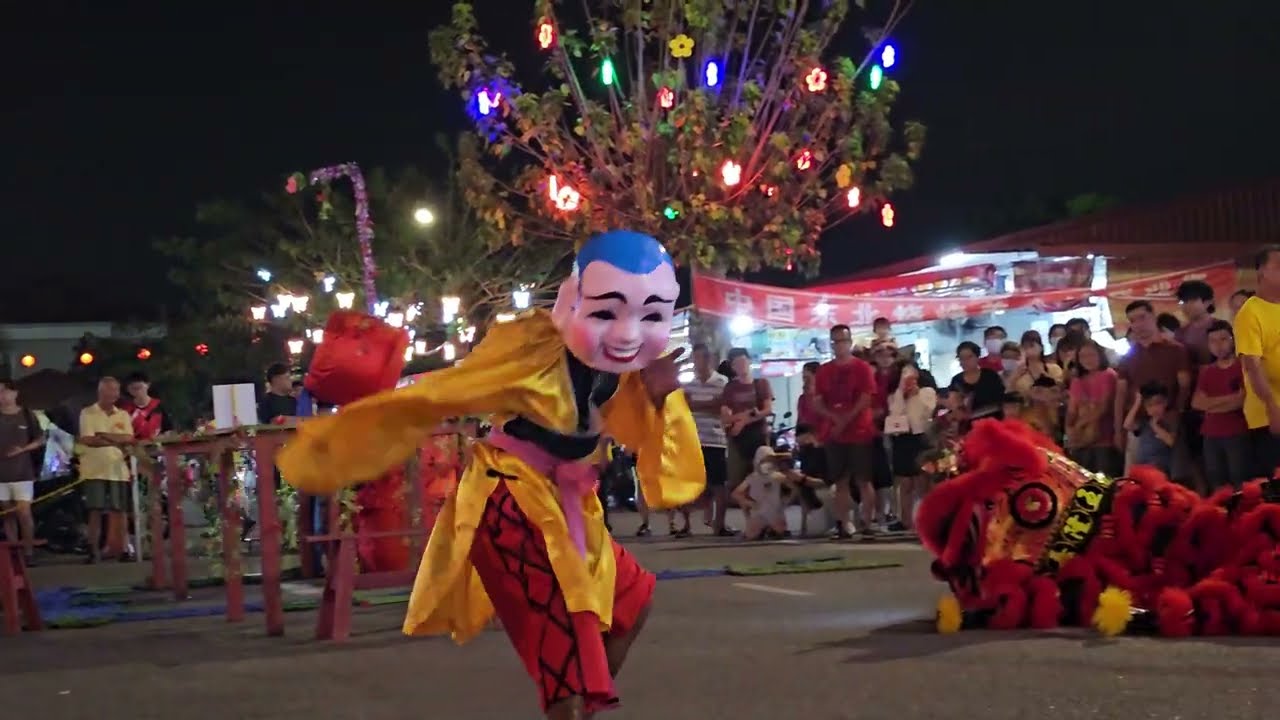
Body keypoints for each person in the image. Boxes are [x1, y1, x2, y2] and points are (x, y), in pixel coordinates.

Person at [276, 230, 703, 719]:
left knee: (633, 599)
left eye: (650, 314)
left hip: (568, 500)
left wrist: (654, 396)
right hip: (512, 498)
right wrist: (357, 423)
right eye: (609, 310)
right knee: (566, 632)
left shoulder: (624, 361)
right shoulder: (529, 341)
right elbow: (448, 388)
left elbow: (630, 428)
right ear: (574, 299)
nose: (628, 332)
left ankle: (582, 708)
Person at [812, 324, 877, 538]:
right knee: (840, 481)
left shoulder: (862, 368)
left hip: (860, 431)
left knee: (863, 479)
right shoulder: (824, 371)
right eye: (835, 341)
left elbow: (866, 398)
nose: (839, 345)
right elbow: (818, 401)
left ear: (850, 342)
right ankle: (844, 523)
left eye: (843, 340)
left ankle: (867, 521)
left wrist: (845, 419)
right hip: (835, 433)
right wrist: (834, 419)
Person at [1114, 300, 1191, 479]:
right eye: (1133, 320)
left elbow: (1185, 387)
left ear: (1153, 317)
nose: (1138, 324)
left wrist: (1176, 414)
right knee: (1139, 479)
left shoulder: (1175, 350)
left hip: (1171, 423)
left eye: (1142, 317)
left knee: (1175, 477)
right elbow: (1120, 396)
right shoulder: (1129, 356)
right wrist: (1119, 431)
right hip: (1138, 425)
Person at [78, 377, 135, 563]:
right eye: (110, 390)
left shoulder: (123, 415)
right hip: (94, 470)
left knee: (121, 510)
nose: (114, 394)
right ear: (101, 391)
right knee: (95, 510)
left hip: (118, 470)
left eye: (116, 390)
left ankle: (124, 548)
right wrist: (116, 439)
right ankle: (93, 549)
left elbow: (128, 438)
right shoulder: (87, 413)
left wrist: (105, 436)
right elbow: (88, 440)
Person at [1235, 245, 1280, 479]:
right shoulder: (1250, 311)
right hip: (1269, 414)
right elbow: (1253, 365)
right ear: (1262, 272)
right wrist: (1272, 406)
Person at [719, 347, 774, 524]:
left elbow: (767, 410)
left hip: (758, 438)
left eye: (743, 361)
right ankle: (751, 520)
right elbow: (725, 417)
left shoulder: (761, 384)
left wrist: (743, 421)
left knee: (763, 478)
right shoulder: (730, 388)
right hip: (737, 440)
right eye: (736, 363)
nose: (741, 366)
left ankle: (766, 520)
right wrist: (747, 415)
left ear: (749, 361)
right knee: (738, 482)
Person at [1192, 320, 1250, 488]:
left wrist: (1210, 404)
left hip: (1237, 431)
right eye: (1213, 341)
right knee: (1216, 479)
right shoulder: (1208, 371)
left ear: (1233, 339)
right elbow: (1196, 403)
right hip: (1210, 433)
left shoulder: (1242, 366)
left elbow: (1241, 401)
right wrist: (1228, 398)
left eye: (1223, 339)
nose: (1218, 345)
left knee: (1240, 478)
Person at [681, 344, 730, 536]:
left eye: (699, 358)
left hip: (716, 439)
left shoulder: (722, 382)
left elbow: (721, 405)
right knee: (689, 483)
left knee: (719, 483)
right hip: (693, 440)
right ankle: (686, 524)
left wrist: (697, 405)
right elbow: (685, 407)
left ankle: (720, 524)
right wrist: (707, 405)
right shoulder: (688, 384)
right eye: (694, 358)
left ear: (708, 360)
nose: (696, 363)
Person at [885, 361, 937, 531]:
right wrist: (902, 391)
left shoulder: (927, 392)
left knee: (922, 481)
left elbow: (928, 412)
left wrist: (916, 395)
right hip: (902, 438)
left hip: (920, 438)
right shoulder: (895, 394)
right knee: (905, 482)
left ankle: (927, 518)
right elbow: (895, 412)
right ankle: (905, 519)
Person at [0, 379, 45, 564]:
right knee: (8, 514)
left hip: (23, 473)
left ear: (14, 393)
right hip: (1, 475)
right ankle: (14, 552)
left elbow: (41, 439)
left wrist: (24, 449)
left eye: (4, 392)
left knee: (24, 513)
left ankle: (28, 551)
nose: (2, 396)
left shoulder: (26, 414)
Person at [1066, 340, 1121, 476]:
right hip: (1082, 440)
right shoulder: (1077, 380)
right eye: (1083, 356)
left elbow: (1104, 407)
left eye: (1091, 355)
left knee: (1104, 481)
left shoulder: (1108, 375)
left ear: (1100, 355)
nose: (1087, 360)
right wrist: (1069, 430)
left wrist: (1078, 426)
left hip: (1104, 437)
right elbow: (1072, 410)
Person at [731, 446, 793, 540]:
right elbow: (736, 494)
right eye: (765, 460)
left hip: (774, 513)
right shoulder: (753, 477)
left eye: (770, 460)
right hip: (760, 513)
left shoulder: (778, 476)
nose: (768, 463)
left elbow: (794, 488)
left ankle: (769, 529)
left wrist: (785, 503)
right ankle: (762, 528)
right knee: (751, 535)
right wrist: (750, 503)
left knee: (779, 531)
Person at [1126, 382, 1178, 476]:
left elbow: (1172, 442)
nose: (1154, 408)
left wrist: (1155, 426)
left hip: (1159, 468)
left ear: (1165, 402)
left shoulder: (1170, 421)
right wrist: (1137, 402)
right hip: (1141, 467)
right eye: (1149, 405)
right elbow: (1127, 425)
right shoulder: (1144, 422)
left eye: (1158, 403)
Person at [951, 341, 1006, 419]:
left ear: (977, 357)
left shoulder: (990, 376)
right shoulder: (957, 380)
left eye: (969, 357)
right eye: (961, 358)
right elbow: (955, 406)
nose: (965, 361)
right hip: (968, 424)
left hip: (993, 421)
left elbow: (1001, 401)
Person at [1008, 330, 1065, 397]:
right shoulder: (1019, 372)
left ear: (1041, 347)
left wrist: (1045, 375)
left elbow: (1061, 388)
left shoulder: (1053, 368)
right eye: (1025, 347)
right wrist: (1014, 377)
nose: (1028, 349)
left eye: (1031, 345)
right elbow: (1009, 393)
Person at [122, 371, 172, 440]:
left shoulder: (159, 406)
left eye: (140, 387)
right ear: (128, 390)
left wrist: (158, 438)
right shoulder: (125, 410)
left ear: (148, 385)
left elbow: (168, 430)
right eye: (133, 389)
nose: (138, 391)